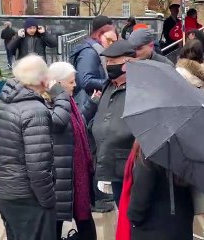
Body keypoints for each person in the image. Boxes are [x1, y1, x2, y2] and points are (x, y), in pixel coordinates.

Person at [0, 55, 55, 240]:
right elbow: (38, 165)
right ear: (42, 79)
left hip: (3, 190)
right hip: (27, 195)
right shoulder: (35, 110)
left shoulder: (1, 102)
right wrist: (48, 200)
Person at [69, 16, 117, 213]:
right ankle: (96, 199)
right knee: (93, 153)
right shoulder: (90, 53)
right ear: (100, 34)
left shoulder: (92, 50)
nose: (113, 44)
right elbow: (86, 80)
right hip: (88, 106)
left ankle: (96, 197)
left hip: (91, 105)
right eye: (110, 40)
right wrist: (111, 82)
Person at [47, 62, 98, 240]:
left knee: (84, 221)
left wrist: (92, 104)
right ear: (57, 84)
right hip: (60, 179)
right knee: (55, 225)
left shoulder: (69, 103)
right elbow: (60, 124)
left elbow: (76, 125)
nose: (75, 85)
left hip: (77, 175)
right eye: (71, 82)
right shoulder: (49, 105)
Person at [92, 40, 137, 207]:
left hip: (130, 164)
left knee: (131, 210)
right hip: (110, 161)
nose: (108, 65)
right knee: (121, 206)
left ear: (128, 62)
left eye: (113, 61)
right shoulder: (108, 85)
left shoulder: (138, 87)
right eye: (107, 61)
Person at [127, 142, 194, 240]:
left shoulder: (149, 155)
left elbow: (140, 198)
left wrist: (133, 218)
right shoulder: (186, 149)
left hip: (153, 229)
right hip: (182, 225)